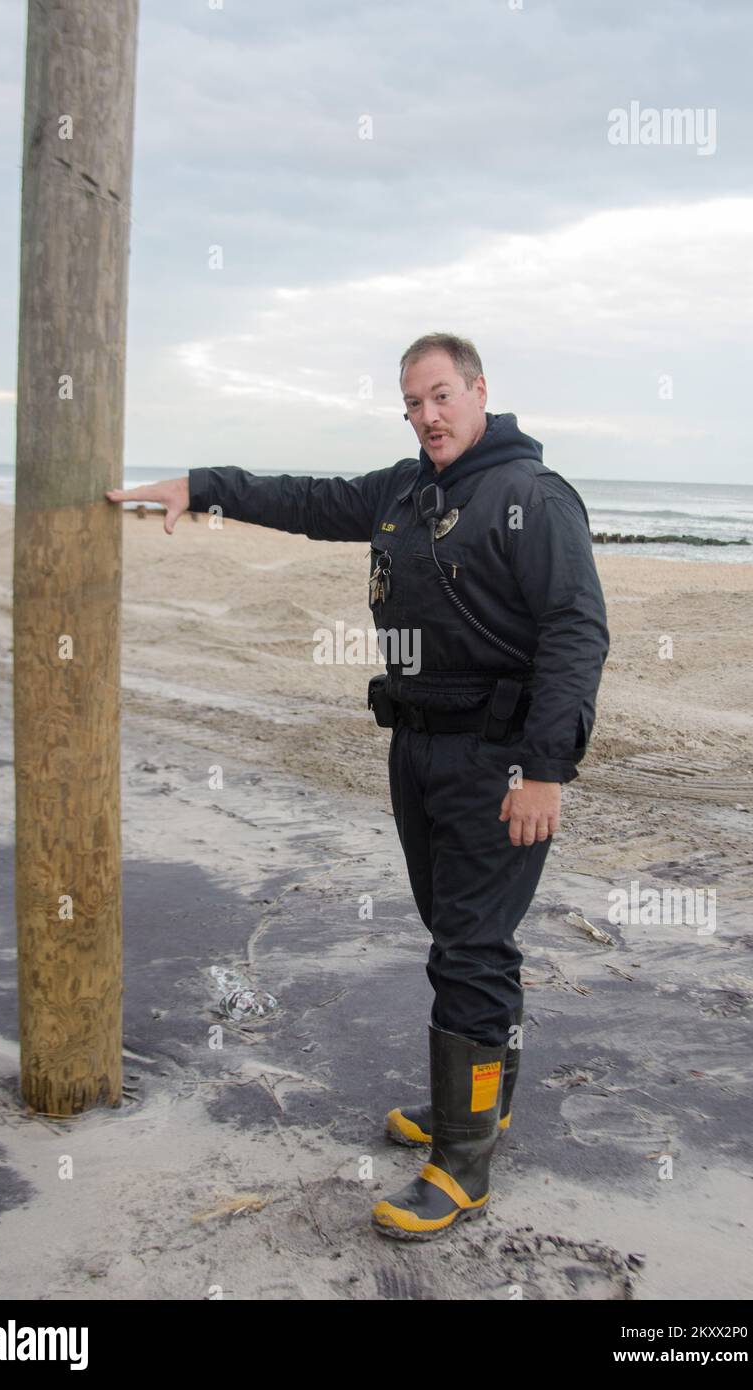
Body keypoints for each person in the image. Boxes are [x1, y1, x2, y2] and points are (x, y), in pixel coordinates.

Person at [106, 332, 610, 1242]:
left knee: (469, 949)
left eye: (440, 397)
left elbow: (576, 634)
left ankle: (461, 1164)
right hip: (416, 747)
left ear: (478, 391)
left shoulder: (532, 497)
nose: (426, 417)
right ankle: (480, 1107)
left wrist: (545, 770)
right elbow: (305, 499)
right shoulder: (405, 489)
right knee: (463, 938)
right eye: (412, 404)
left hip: (497, 757)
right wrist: (202, 484)